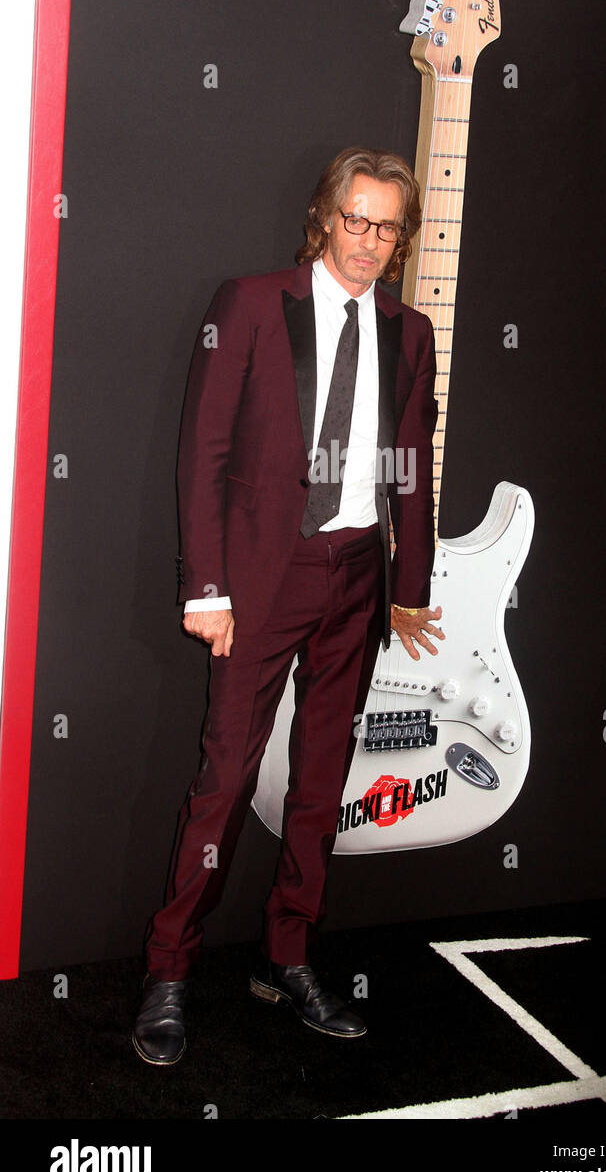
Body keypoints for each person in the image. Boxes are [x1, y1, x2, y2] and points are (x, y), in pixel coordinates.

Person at [133, 146, 443, 1065]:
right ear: (324, 217)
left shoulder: (409, 329)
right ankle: (168, 971)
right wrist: (207, 588)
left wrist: (410, 586)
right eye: (356, 217)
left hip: (356, 578)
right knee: (224, 780)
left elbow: (409, 466)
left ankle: (288, 955)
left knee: (320, 786)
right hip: (262, 579)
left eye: (387, 225)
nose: (369, 240)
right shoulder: (253, 303)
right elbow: (204, 455)